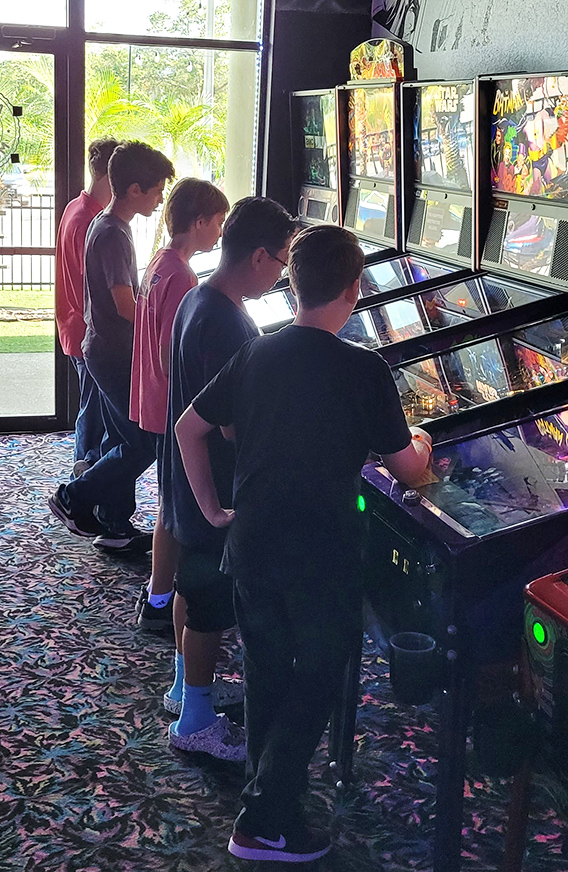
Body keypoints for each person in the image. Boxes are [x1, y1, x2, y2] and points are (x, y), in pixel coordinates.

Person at [174, 225, 433, 861]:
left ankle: (272, 806)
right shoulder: (363, 367)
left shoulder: (257, 352)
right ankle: (264, 814)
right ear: (354, 289)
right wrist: (423, 441)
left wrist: (211, 508)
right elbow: (410, 470)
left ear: (291, 283)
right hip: (320, 549)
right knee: (321, 671)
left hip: (253, 541)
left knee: (267, 671)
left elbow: (189, 428)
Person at [161, 196, 297, 761]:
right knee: (211, 599)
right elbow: (234, 425)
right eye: (284, 259)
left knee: (192, 589)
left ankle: (184, 688)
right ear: (261, 257)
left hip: (187, 479)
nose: (285, 271)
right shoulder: (228, 323)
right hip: (213, 484)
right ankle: (194, 718)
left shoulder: (199, 297)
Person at [48, 141, 175, 551]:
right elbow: (124, 304)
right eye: (155, 191)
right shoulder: (114, 234)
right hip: (113, 352)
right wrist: (160, 329)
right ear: (134, 190)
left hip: (101, 348)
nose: (159, 200)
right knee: (141, 443)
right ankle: (75, 496)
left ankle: (113, 522)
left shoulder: (103, 223)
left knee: (118, 439)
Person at [130, 177, 229, 630]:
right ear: (200, 221)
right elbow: (181, 353)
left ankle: (158, 593)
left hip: (153, 397)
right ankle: (160, 598)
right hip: (173, 406)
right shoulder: (184, 277)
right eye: (219, 222)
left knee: (168, 503)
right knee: (175, 507)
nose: (222, 232)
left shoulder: (160, 263)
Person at [55, 137, 120, 477]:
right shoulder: (93, 221)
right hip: (87, 329)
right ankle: (83, 489)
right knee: (95, 416)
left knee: (91, 408)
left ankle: (84, 484)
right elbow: (96, 285)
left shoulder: (75, 209)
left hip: (74, 325)